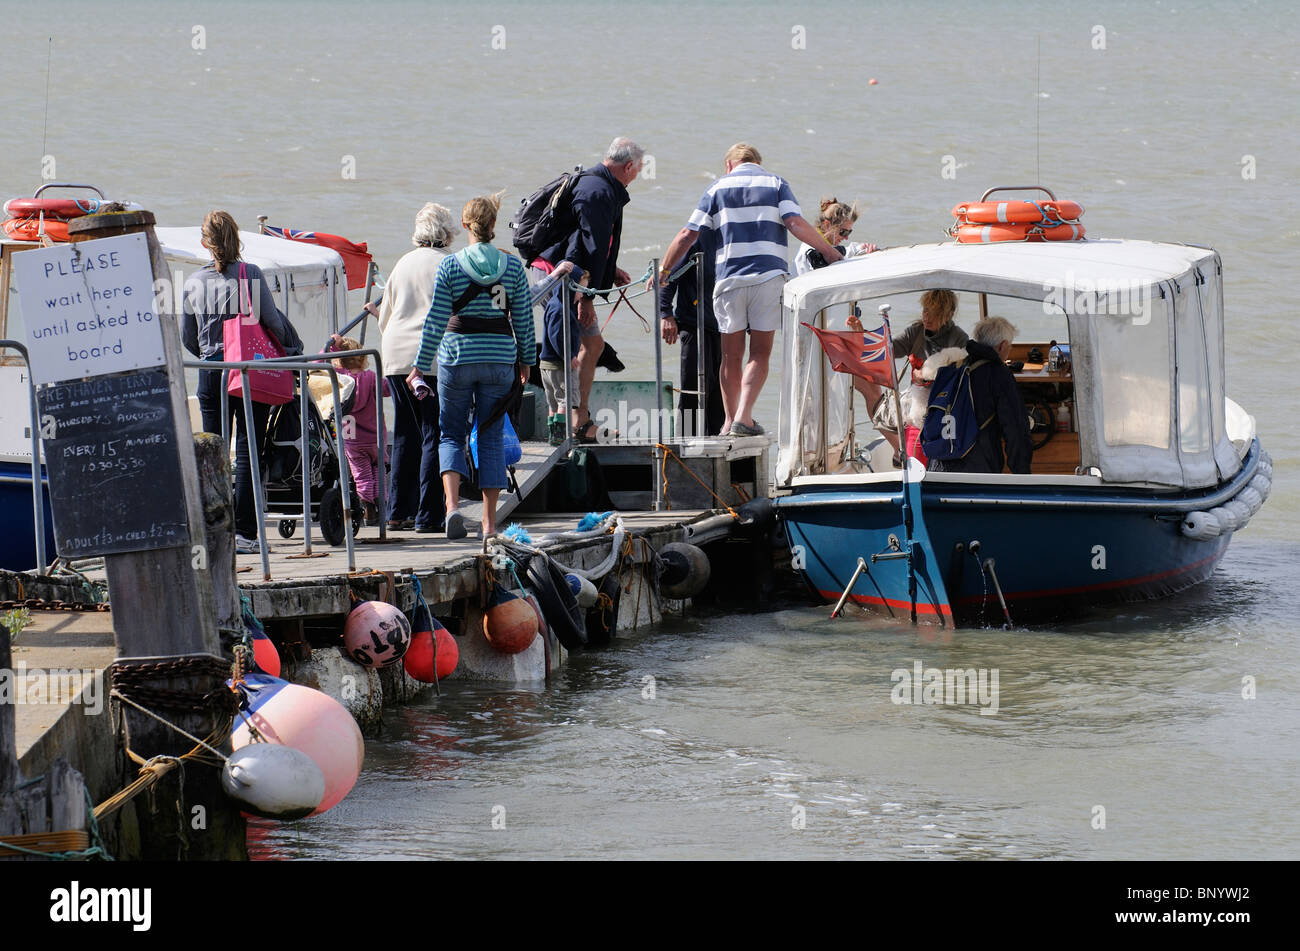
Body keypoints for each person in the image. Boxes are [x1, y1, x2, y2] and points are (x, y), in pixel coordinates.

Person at [656, 143, 842, 437]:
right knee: (759, 353)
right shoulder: (776, 183)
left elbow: (687, 234)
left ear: (729, 165)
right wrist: (830, 252)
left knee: (730, 356)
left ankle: (730, 422)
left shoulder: (717, 188)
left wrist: (664, 270)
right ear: (758, 163)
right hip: (767, 277)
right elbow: (794, 223)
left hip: (729, 279)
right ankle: (744, 416)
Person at [409, 192, 534, 540]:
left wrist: (420, 365)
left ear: (464, 225)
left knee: (450, 433)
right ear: (494, 225)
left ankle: (451, 510)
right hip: (498, 360)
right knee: (491, 437)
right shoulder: (511, 268)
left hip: (457, 357)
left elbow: (435, 320)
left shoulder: (450, 266)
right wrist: (526, 361)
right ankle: (490, 525)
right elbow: (523, 319)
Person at [182, 210, 303, 554]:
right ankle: (245, 533)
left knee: (213, 452)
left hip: (210, 373)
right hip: (249, 371)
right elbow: (274, 325)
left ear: (205, 243)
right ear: (237, 238)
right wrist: (288, 349)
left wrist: (211, 352)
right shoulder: (251, 275)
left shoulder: (192, 282)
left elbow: (187, 337)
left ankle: (213, 531)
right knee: (250, 451)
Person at [536, 137, 643, 444]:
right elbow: (589, 249)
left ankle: (577, 417)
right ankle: (575, 421)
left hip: (574, 278)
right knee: (572, 347)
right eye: (638, 169)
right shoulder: (597, 191)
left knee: (590, 346)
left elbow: (591, 245)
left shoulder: (601, 187)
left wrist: (612, 269)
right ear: (629, 166)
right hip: (562, 279)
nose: (637, 175)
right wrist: (587, 299)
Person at [370, 203, 457, 532]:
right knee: (434, 432)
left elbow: (385, 316)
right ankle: (428, 515)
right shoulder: (450, 263)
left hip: (395, 355)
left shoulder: (403, 263)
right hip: (430, 358)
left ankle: (396, 512)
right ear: (447, 233)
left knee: (405, 432)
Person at [848, 288, 969, 457]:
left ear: (948, 314)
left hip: (945, 408)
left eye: (934, 312)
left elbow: (960, 378)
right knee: (864, 383)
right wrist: (862, 334)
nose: (926, 316)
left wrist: (930, 377)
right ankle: (900, 450)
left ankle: (903, 453)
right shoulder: (916, 332)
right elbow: (887, 350)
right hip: (916, 403)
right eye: (925, 310)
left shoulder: (959, 339)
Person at [924, 316, 1032, 475]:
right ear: (1002, 346)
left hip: (939, 467)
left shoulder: (955, 366)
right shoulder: (998, 374)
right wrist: (1023, 476)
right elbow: (1016, 430)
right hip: (978, 470)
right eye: (1010, 347)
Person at [658, 233, 724, 437]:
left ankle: (715, 436)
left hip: (723, 326)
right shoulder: (695, 240)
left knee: (719, 389)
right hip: (693, 324)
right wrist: (665, 313)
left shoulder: (733, 238)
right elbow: (668, 277)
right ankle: (686, 439)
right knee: (692, 387)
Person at [328, 335, 391, 527]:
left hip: (353, 438)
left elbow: (319, 362)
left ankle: (368, 510)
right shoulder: (371, 377)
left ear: (339, 361)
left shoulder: (340, 380)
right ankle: (382, 505)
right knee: (379, 472)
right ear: (363, 359)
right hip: (376, 436)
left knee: (362, 476)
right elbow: (388, 389)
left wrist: (333, 347)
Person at [792, 197, 878, 275]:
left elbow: (843, 252)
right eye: (843, 232)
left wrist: (863, 248)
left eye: (849, 232)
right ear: (827, 225)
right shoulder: (811, 251)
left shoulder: (827, 246)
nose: (846, 237)